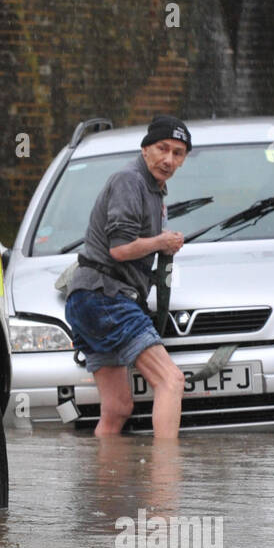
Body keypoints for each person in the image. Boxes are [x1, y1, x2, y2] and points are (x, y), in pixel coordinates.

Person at [63, 114, 190, 439]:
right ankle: (165, 483)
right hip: (105, 296)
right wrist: (162, 242)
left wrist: (160, 246)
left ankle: (107, 487)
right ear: (146, 148)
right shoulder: (129, 181)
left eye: (178, 153)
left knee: (118, 407)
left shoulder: (155, 190)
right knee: (170, 380)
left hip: (89, 300)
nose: (169, 159)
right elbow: (120, 250)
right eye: (163, 148)